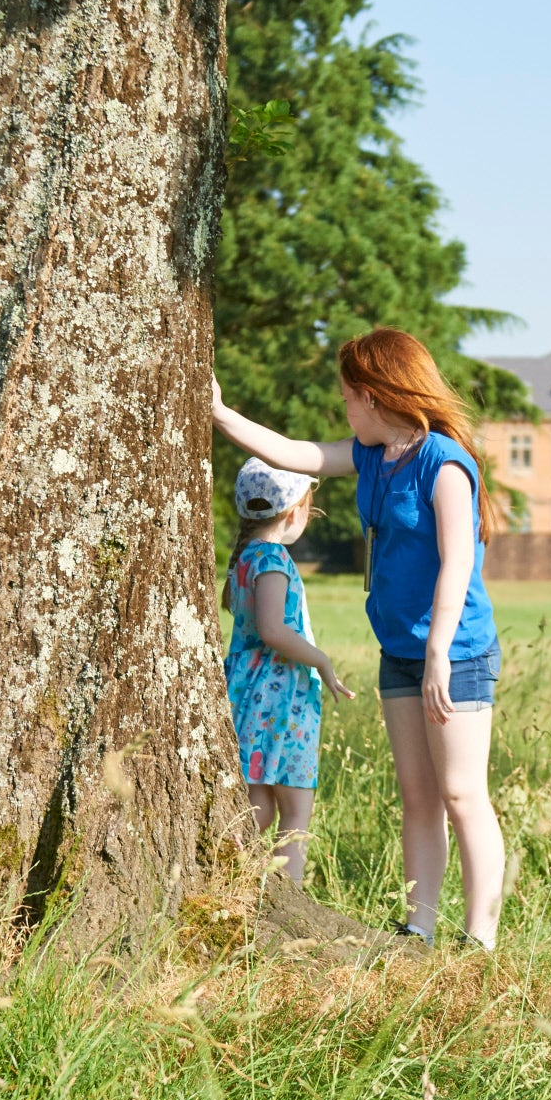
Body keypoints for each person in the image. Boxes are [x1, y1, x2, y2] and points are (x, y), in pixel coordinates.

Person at [211, 328, 509, 948]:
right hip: (400, 650)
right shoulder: (374, 455)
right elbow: (292, 452)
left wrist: (437, 657)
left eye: (347, 397)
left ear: (372, 396)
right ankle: (418, 928)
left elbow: (458, 563)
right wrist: (215, 410)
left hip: (454, 654)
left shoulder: (445, 462)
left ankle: (480, 939)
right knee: (418, 794)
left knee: (460, 792)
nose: (344, 408)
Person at [222, 457, 355, 889]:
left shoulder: (243, 558)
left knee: (256, 806)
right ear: (294, 512)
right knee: (295, 813)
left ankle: (238, 889)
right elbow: (273, 629)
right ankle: (288, 898)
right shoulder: (273, 558)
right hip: (280, 696)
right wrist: (320, 659)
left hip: (247, 690)